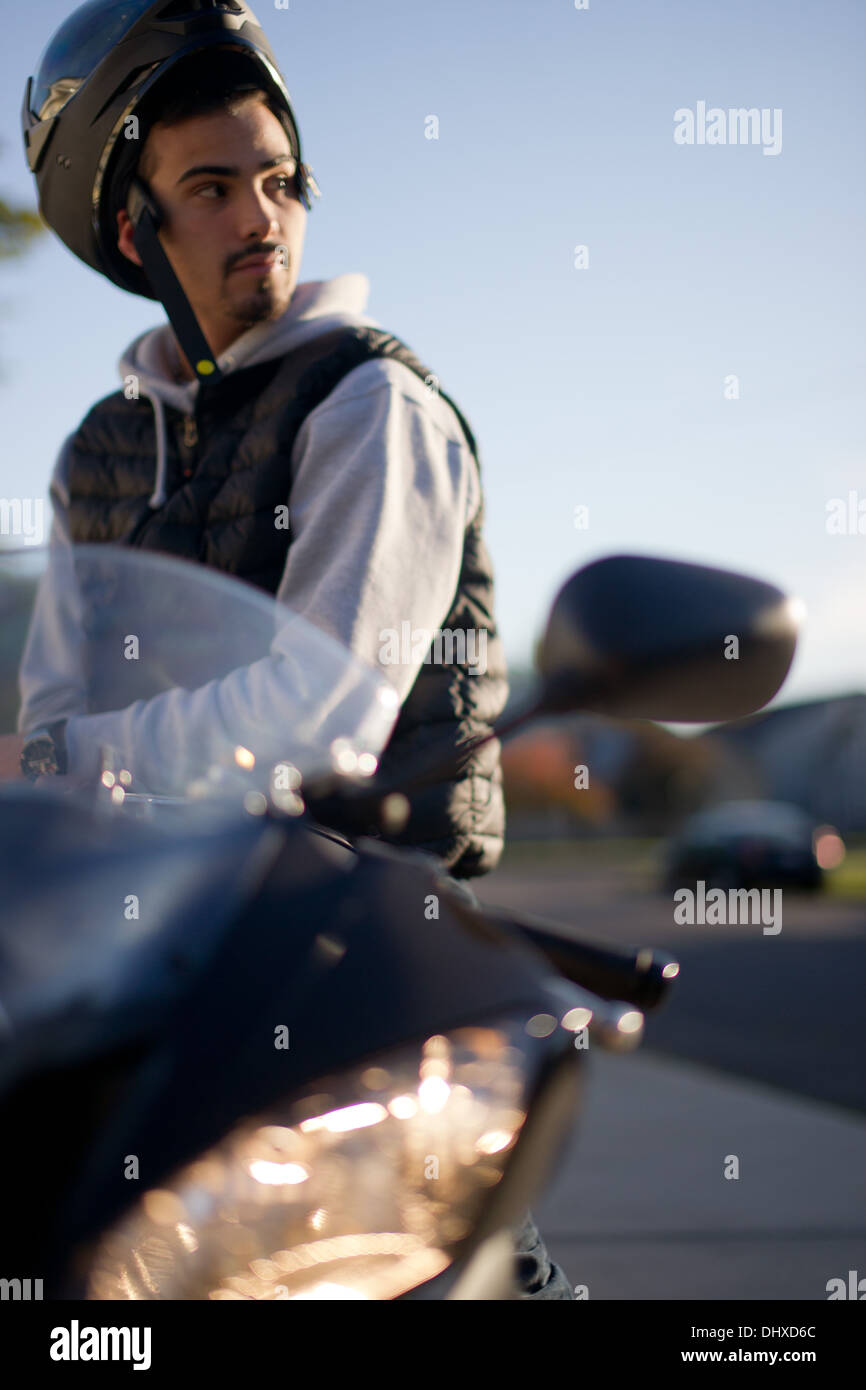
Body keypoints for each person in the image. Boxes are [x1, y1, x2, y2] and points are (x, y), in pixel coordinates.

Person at [5, 0, 574, 1300]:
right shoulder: (95, 453)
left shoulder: (372, 404)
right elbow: (46, 725)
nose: (260, 215)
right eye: (211, 187)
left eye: (278, 180)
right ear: (137, 230)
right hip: (152, 968)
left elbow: (324, 714)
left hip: (362, 966)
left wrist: (67, 755)